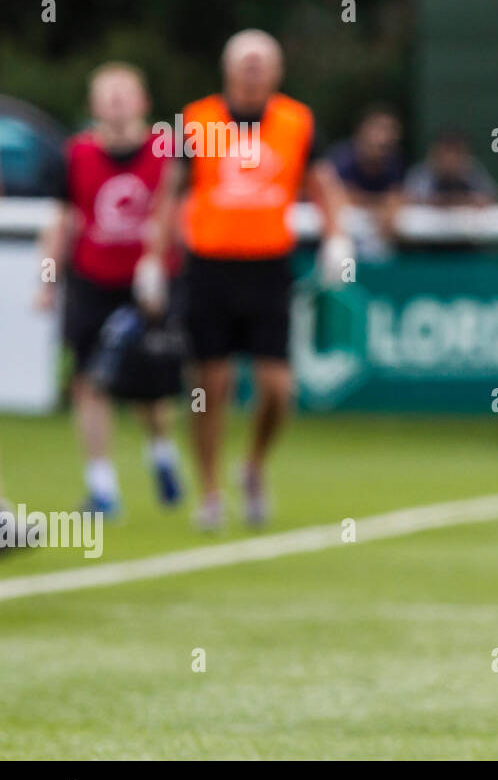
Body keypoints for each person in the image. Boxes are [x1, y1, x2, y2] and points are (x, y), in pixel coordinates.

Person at [141, 29, 350, 530]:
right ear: (227, 68)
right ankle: (210, 491)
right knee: (210, 383)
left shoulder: (295, 121)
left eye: (263, 62)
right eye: (245, 61)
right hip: (210, 266)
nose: (254, 70)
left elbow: (324, 186)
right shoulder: (197, 119)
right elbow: (171, 193)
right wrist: (152, 258)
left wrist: (337, 238)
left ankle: (253, 465)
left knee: (277, 386)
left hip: (267, 265)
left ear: (277, 71)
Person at [35, 63, 182, 516]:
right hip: (93, 281)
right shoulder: (75, 154)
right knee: (89, 381)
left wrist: (156, 264)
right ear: (93, 105)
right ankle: (102, 488)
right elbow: (64, 219)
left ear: (143, 103)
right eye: (107, 94)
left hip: (147, 285)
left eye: (125, 93)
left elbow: (172, 210)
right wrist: (47, 278)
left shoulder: (165, 150)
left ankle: (161, 451)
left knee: (148, 391)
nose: (116, 103)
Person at [328, 103, 405, 259]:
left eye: (388, 131)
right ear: (362, 132)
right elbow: (337, 195)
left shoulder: (394, 161)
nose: (382, 137)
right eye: (378, 129)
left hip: (376, 240)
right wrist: (379, 206)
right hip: (339, 236)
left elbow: (396, 197)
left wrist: (389, 209)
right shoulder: (342, 158)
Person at [403, 130, 498, 208]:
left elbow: (492, 198)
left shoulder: (472, 169)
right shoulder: (423, 172)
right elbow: (409, 199)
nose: (450, 160)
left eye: (456, 153)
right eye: (445, 153)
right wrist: (452, 201)